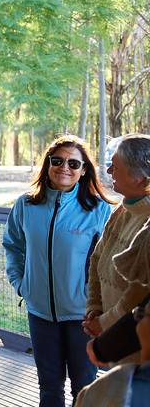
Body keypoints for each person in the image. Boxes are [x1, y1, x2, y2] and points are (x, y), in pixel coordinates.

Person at [2, 134, 113, 407]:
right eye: (58, 160)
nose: (64, 167)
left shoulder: (98, 210)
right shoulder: (27, 205)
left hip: (82, 316)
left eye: (73, 163)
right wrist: (22, 283)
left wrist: (97, 307)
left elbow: (105, 265)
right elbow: (13, 246)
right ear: (48, 164)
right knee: (49, 385)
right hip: (41, 314)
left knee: (84, 384)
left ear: (83, 171)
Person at [84, 134, 150, 345]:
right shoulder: (122, 210)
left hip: (137, 343)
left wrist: (104, 322)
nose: (110, 171)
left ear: (139, 177)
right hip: (112, 334)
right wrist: (94, 307)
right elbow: (97, 259)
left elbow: (139, 290)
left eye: (116, 167)